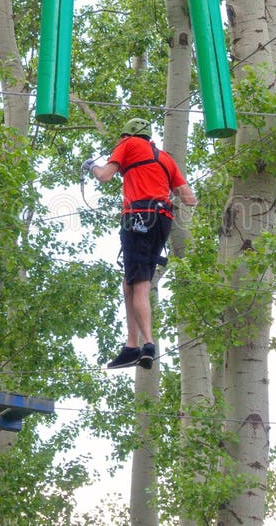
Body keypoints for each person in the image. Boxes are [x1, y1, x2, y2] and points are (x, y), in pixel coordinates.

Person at [82, 118, 197, 370]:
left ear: (129, 134)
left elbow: (104, 176)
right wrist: (163, 193)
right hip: (161, 222)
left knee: (140, 286)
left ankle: (147, 344)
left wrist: (91, 166)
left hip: (137, 219)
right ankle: (131, 345)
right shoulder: (166, 158)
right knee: (130, 283)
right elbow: (189, 199)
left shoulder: (128, 144)